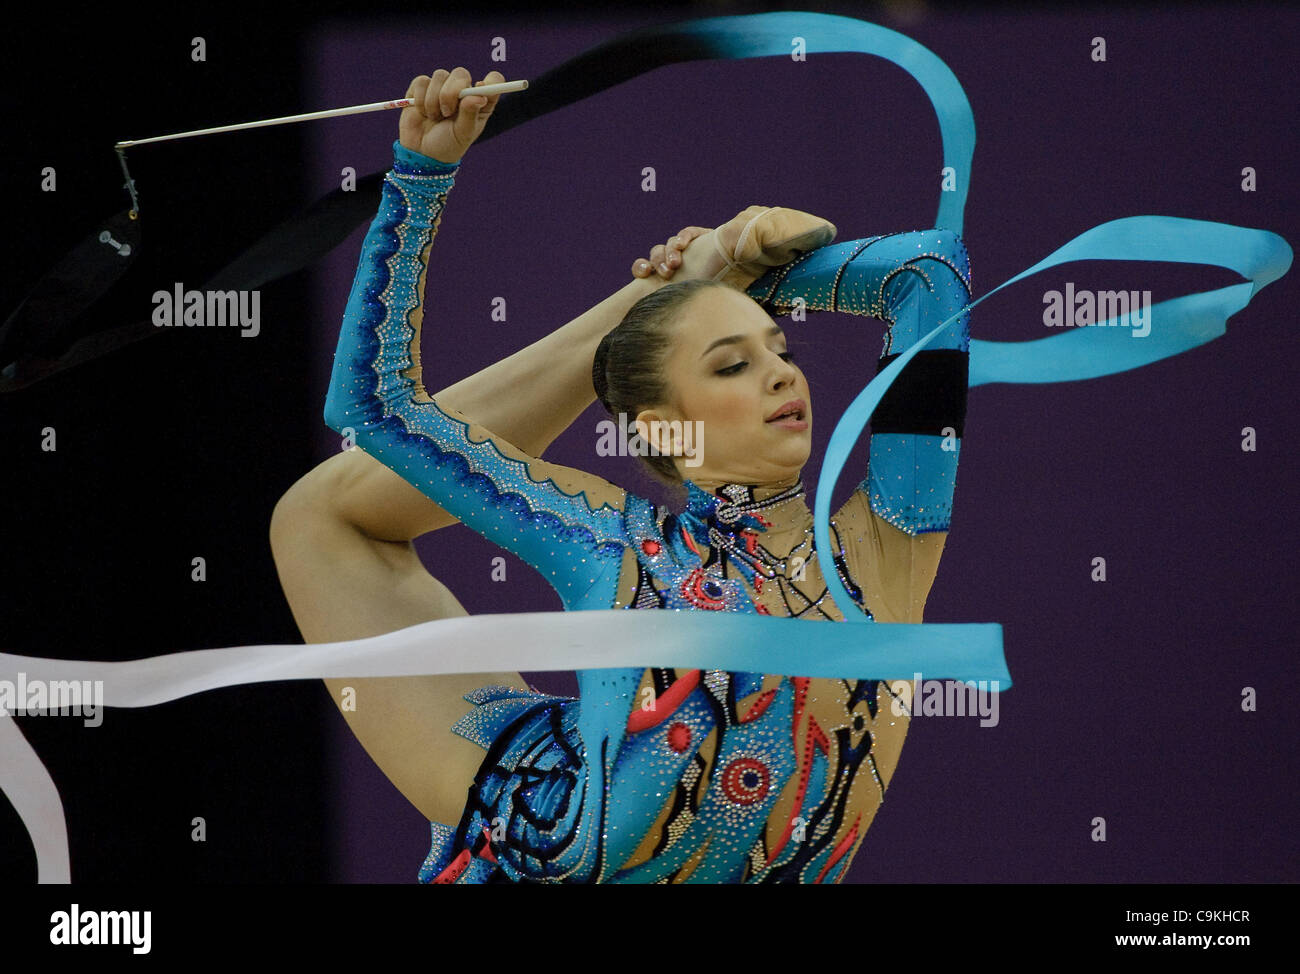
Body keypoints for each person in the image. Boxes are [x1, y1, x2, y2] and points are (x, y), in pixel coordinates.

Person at [274, 64, 974, 884]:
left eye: (781, 351)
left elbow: (927, 274)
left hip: (583, 803)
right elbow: (373, 409)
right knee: (317, 516)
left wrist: (752, 265)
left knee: (323, 516)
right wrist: (422, 175)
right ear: (659, 427)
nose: (784, 375)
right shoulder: (616, 545)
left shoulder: (887, 543)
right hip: (527, 833)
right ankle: (661, 304)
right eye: (732, 367)